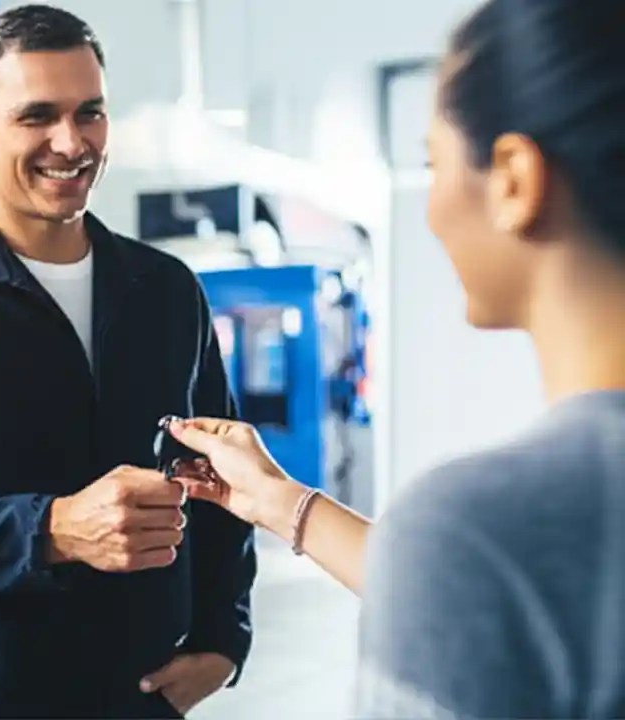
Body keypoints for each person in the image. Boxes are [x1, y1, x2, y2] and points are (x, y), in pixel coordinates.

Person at [164, 1, 625, 717]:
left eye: (432, 162)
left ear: (513, 179)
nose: (433, 206)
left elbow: (481, 570)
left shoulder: (486, 525)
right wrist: (278, 501)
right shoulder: (507, 541)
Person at [0, 4, 255, 718]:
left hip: (143, 697)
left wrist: (224, 640)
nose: (72, 141)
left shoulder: (166, 291)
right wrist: (51, 529)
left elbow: (219, 480)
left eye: (90, 112)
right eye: (37, 116)